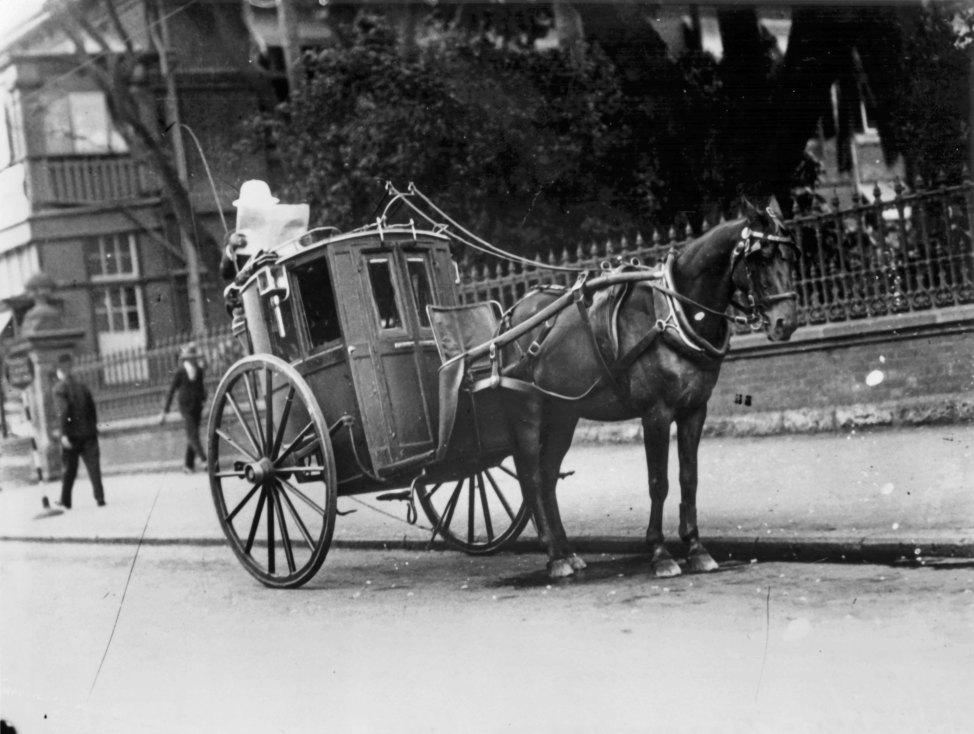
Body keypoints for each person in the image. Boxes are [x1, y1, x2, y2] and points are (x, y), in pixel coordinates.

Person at [53, 354, 106, 508]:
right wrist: (93, 426)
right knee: (94, 466)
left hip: (71, 436)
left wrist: (63, 434)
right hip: (89, 433)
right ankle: (100, 497)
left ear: (60, 372)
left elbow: (63, 412)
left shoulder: (59, 388)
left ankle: (66, 500)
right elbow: (92, 409)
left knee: (69, 469)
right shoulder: (83, 386)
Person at [160, 342, 208, 474]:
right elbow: (171, 391)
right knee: (193, 435)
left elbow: (201, 388)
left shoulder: (198, 370)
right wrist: (165, 411)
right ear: (186, 358)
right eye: (191, 357)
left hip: (197, 406)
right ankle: (205, 460)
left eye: (195, 357)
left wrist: (204, 400)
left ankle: (188, 465)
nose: (194, 359)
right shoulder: (180, 372)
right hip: (185, 406)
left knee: (193, 435)